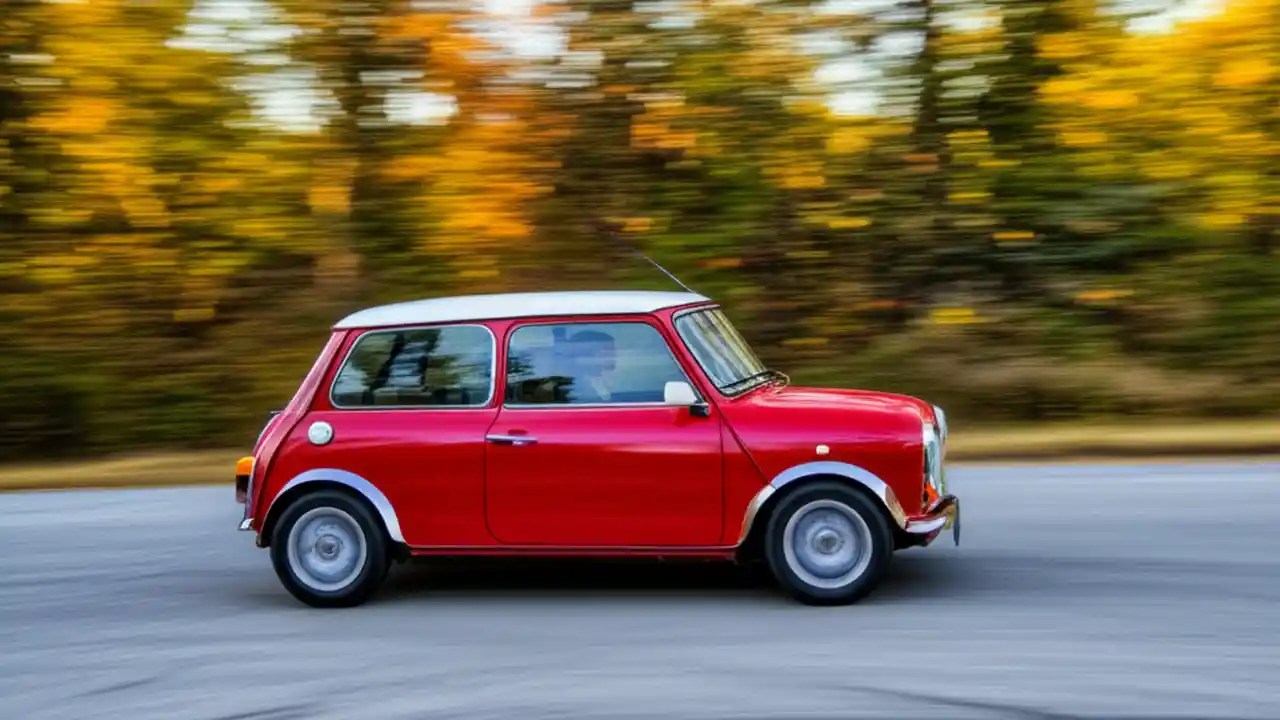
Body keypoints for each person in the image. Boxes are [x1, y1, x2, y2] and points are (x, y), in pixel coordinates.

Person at [565, 329, 617, 403]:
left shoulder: (600, 382)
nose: (614, 356)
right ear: (589, 355)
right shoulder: (574, 389)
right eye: (609, 351)